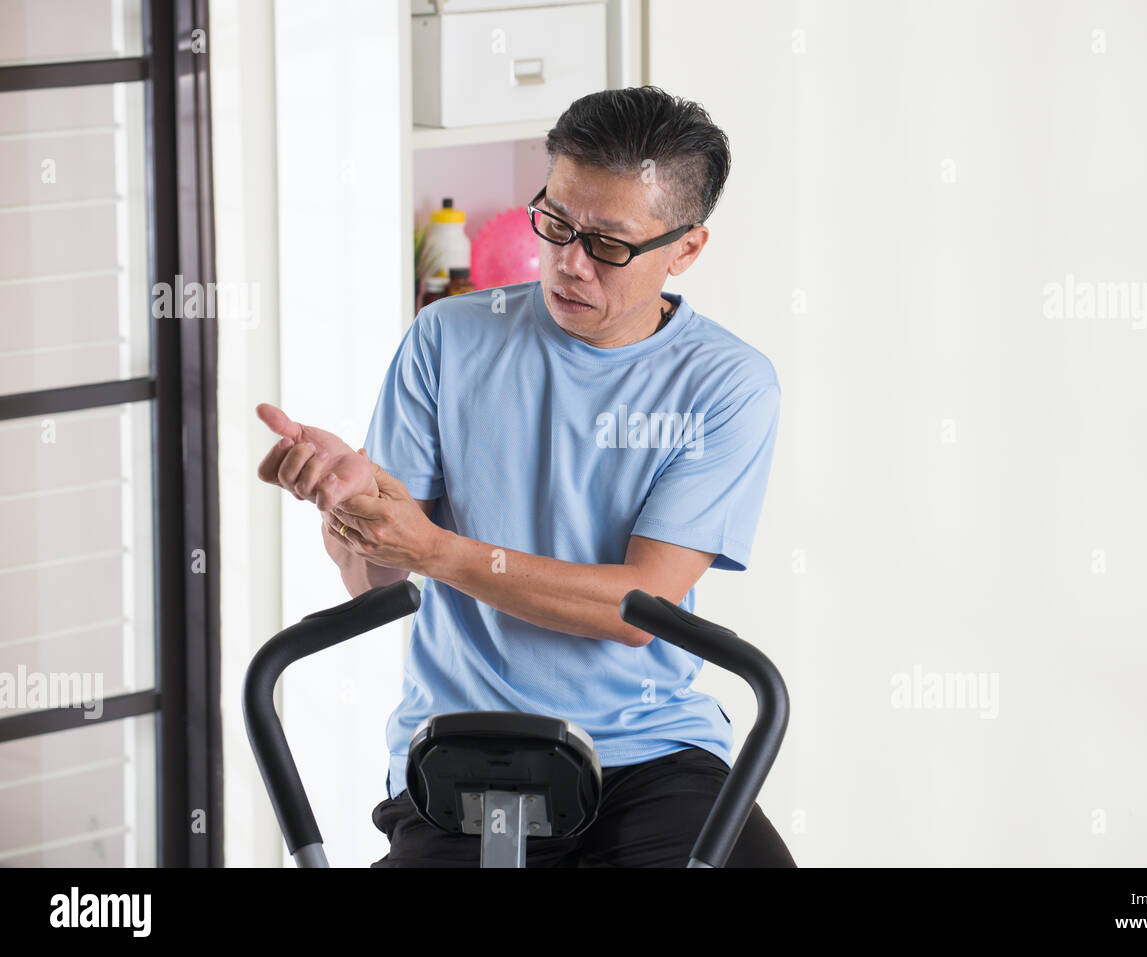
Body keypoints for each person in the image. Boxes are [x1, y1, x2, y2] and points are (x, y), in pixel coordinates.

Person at [256, 86, 792, 867]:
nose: (570, 262)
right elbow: (379, 581)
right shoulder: (447, 339)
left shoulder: (728, 384)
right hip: (461, 750)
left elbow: (637, 606)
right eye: (556, 222)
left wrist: (437, 549)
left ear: (686, 249)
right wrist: (348, 510)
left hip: (650, 753)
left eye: (608, 243)